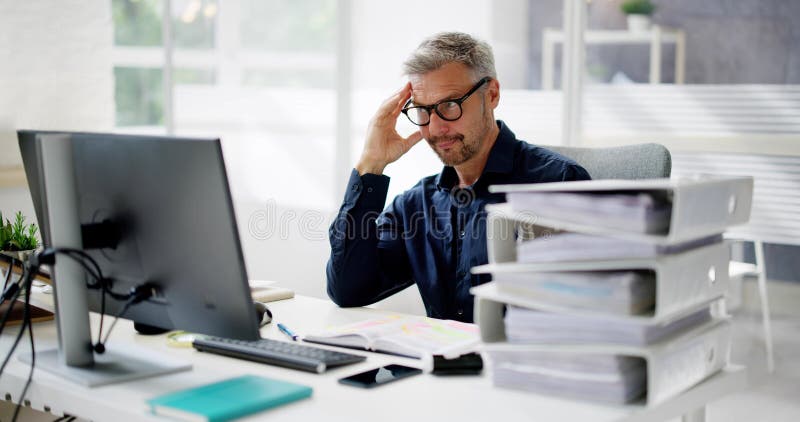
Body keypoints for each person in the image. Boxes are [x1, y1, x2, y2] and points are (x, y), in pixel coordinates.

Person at [326, 32, 590, 323]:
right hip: (430, 366)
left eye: (450, 104)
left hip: (517, 364)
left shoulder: (558, 183)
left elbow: (585, 310)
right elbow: (348, 291)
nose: (436, 128)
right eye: (423, 110)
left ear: (491, 94)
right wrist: (370, 164)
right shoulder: (416, 205)